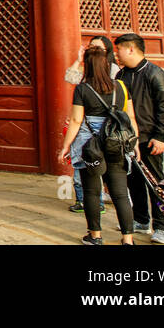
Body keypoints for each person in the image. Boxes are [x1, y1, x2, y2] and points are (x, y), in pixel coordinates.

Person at [58, 44, 138, 245]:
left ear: (88, 66)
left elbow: (76, 121)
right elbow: (130, 117)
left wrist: (66, 146)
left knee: (92, 191)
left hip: (91, 145)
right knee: (120, 192)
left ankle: (95, 236)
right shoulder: (121, 87)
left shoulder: (83, 89)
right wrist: (134, 144)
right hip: (117, 142)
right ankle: (128, 240)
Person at [115, 32, 164, 244]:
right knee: (134, 182)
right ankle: (140, 220)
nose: (117, 54)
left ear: (131, 48)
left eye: (119, 49)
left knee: (156, 184)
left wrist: (160, 136)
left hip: (150, 139)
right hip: (129, 140)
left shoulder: (155, 73)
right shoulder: (121, 76)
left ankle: (161, 225)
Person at [63, 35, 119, 213]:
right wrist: (78, 61)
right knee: (81, 165)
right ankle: (82, 200)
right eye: (91, 47)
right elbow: (70, 77)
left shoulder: (114, 72)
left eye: (97, 47)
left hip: (103, 127)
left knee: (99, 167)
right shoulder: (86, 74)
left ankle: (100, 201)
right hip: (86, 125)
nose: (92, 50)